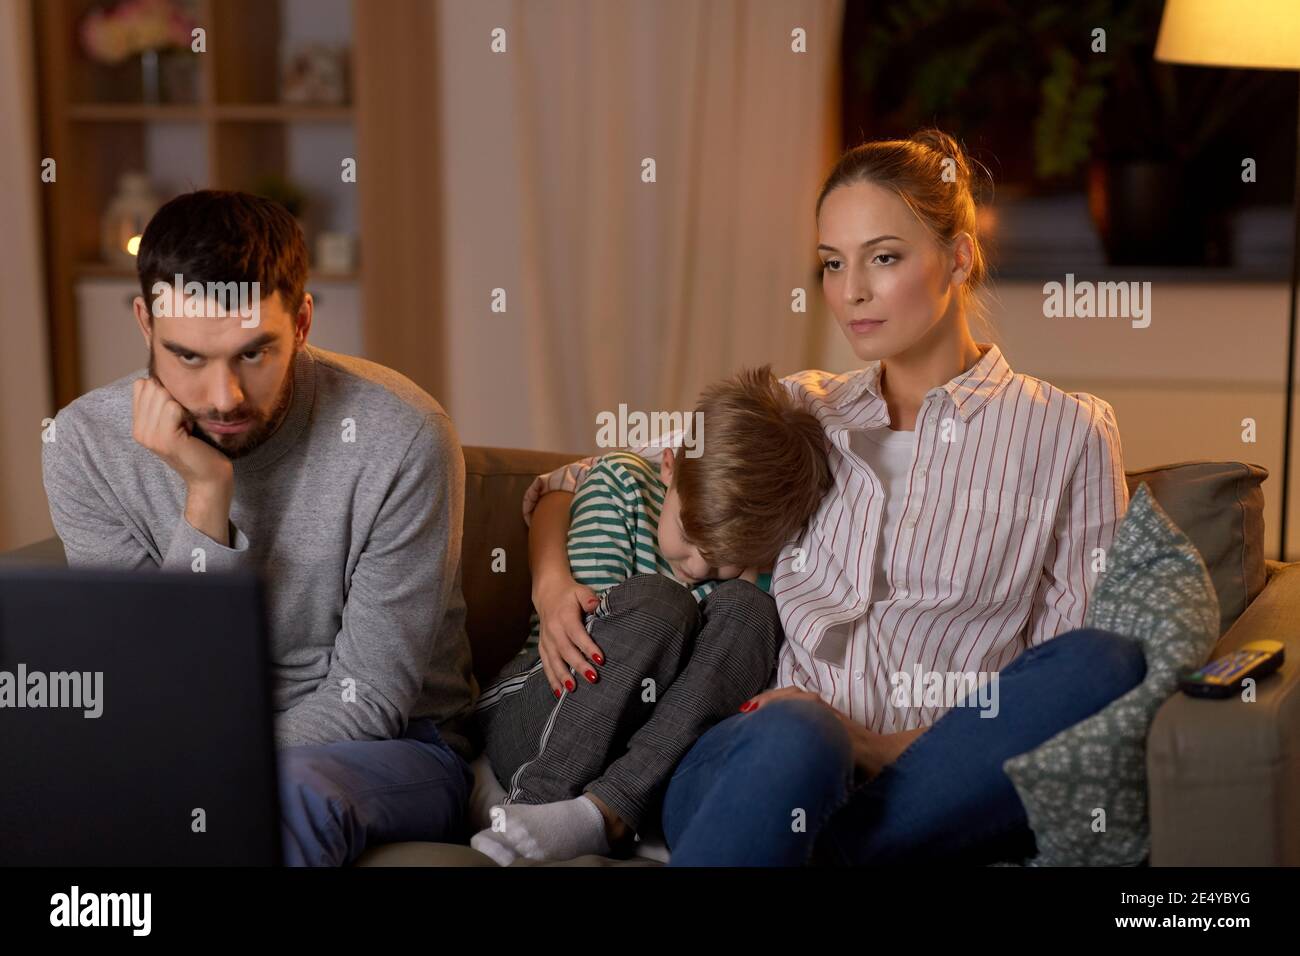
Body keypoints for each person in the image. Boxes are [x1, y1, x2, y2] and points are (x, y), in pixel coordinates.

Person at [521, 129, 1146, 865]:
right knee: (800, 735)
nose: (850, 292)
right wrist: (551, 584)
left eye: (883, 257)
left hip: (937, 774)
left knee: (1104, 662)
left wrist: (875, 747)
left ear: (959, 258)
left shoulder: (1069, 432)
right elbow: (566, 480)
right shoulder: (799, 407)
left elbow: (1052, 668)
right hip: (761, 760)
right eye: (831, 264)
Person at [41, 190, 478, 866]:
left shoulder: (400, 434)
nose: (224, 397)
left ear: (302, 321)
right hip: (188, 742)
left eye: (254, 354)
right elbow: (159, 680)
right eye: (188, 357)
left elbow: (371, 700)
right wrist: (207, 494)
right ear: (144, 323)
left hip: (392, 748)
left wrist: (190, 769)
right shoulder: (84, 444)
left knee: (283, 795)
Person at [470, 367, 833, 864]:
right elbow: (596, 649)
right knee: (661, 603)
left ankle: (607, 813)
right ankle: (532, 802)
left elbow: (713, 685)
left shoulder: (755, 565)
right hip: (543, 700)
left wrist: (746, 581)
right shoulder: (620, 486)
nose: (700, 566)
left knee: (751, 610)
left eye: (724, 558)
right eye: (689, 536)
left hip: (639, 761)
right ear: (668, 467)